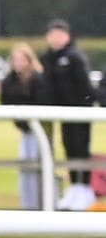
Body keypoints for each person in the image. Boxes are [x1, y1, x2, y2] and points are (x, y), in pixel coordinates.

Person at [40, 19, 97, 210]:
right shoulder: (48, 58)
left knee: (80, 149)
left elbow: (85, 88)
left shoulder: (74, 57)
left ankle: (85, 189)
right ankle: (74, 187)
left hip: (79, 111)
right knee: (69, 149)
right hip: (62, 111)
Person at [2, 43, 49, 209]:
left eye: (22, 59)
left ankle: (39, 203)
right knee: (25, 167)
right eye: (16, 60)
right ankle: (28, 204)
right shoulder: (9, 80)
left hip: (38, 130)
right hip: (25, 129)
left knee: (36, 167)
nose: (18, 63)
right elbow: (5, 101)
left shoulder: (37, 78)